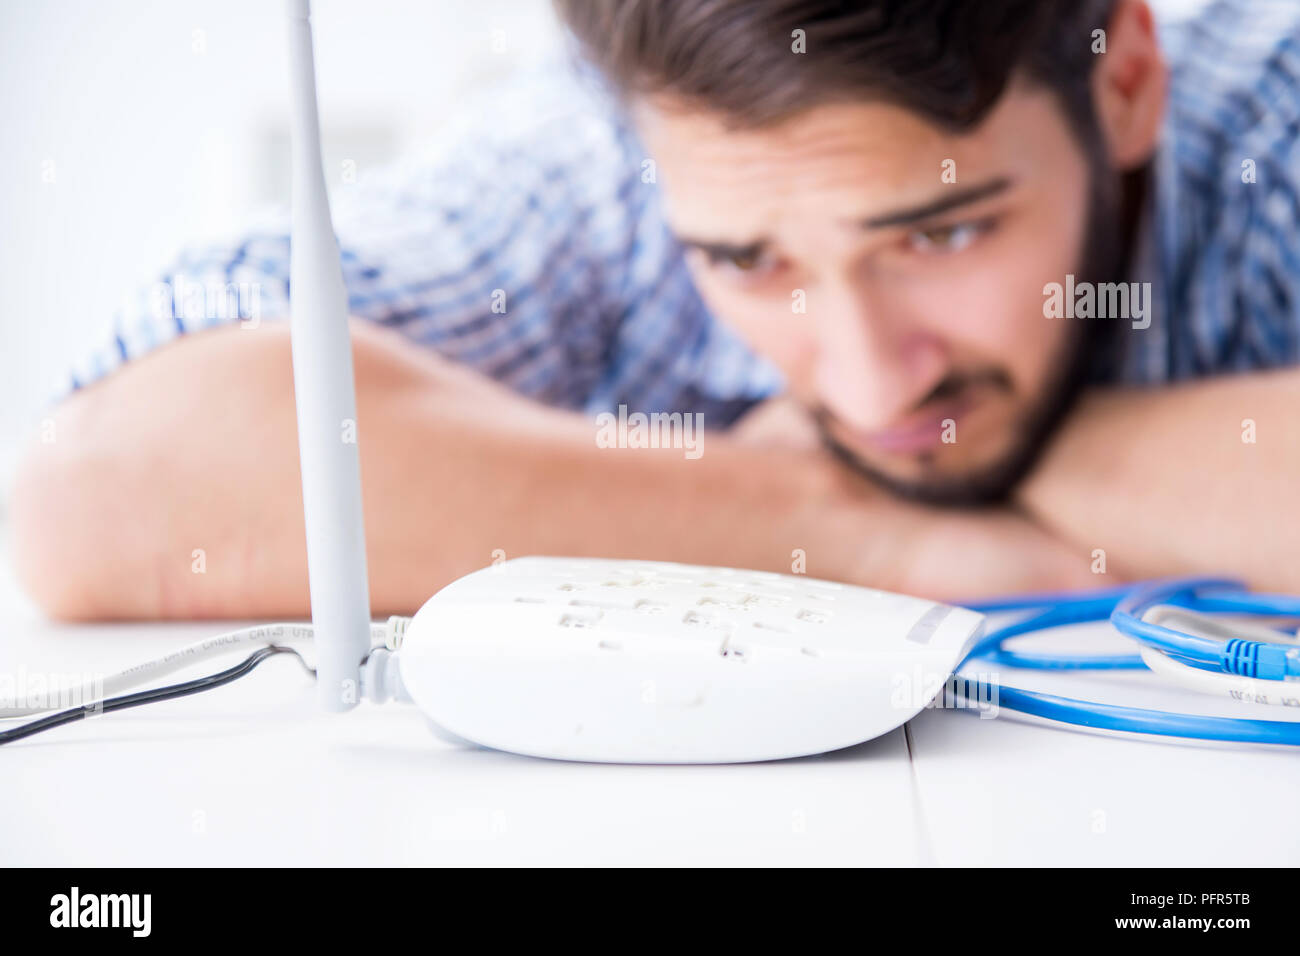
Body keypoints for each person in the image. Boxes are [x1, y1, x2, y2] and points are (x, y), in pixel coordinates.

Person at [11, 0, 1300, 619]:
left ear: (1124, 79)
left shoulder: (1271, 117)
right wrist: (848, 528)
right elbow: (111, 491)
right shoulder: (612, 158)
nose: (869, 390)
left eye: (946, 231)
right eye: (748, 263)